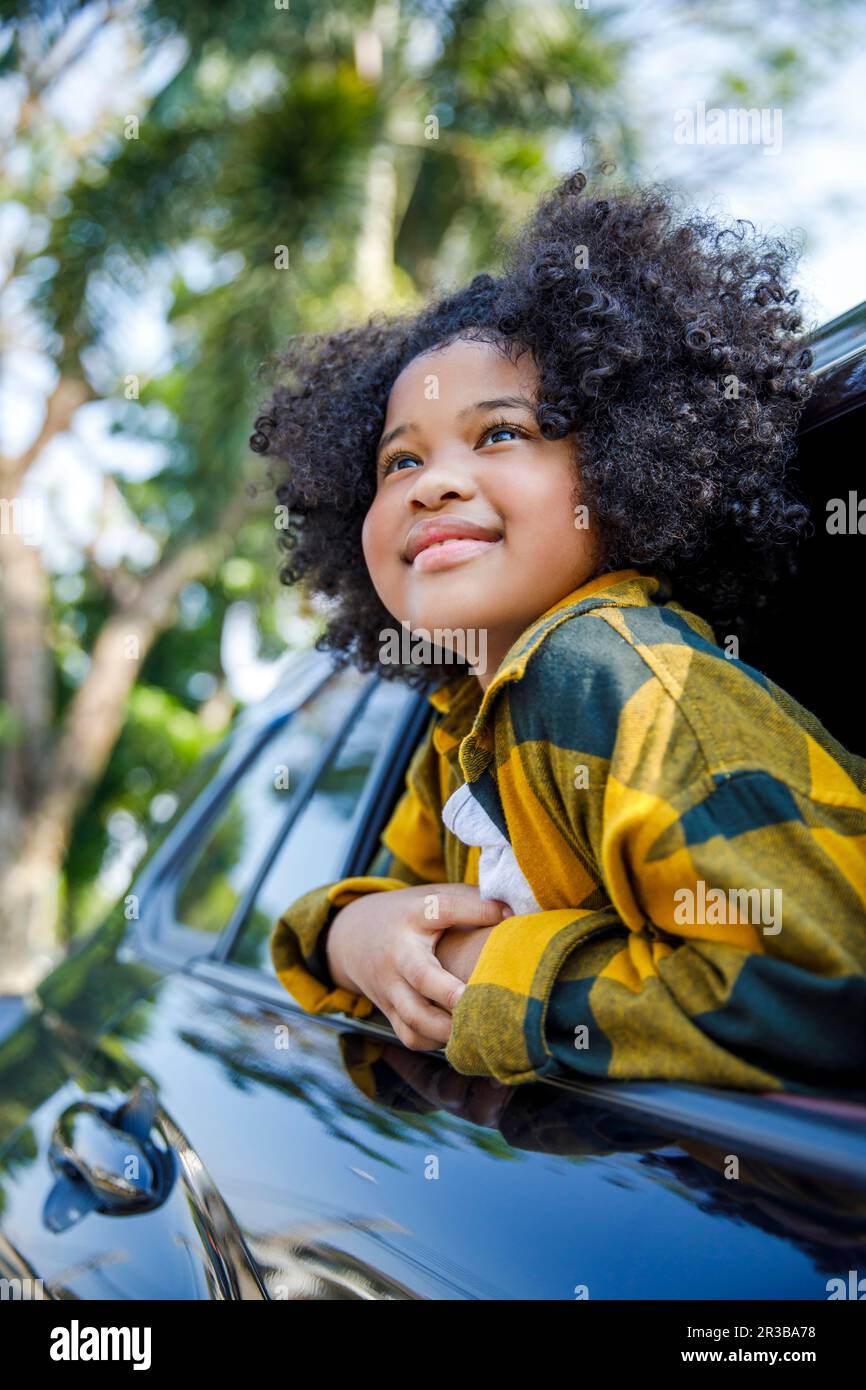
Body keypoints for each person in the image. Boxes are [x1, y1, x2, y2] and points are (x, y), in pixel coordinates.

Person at [250, 168, 866, 1093]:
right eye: (399, 459)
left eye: (499, 435)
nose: (433, 482)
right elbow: (397, 893)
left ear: (626, 468)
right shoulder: (461, 724)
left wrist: (480, 975)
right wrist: (351, 934)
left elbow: (821, 986)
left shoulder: (611, 675)